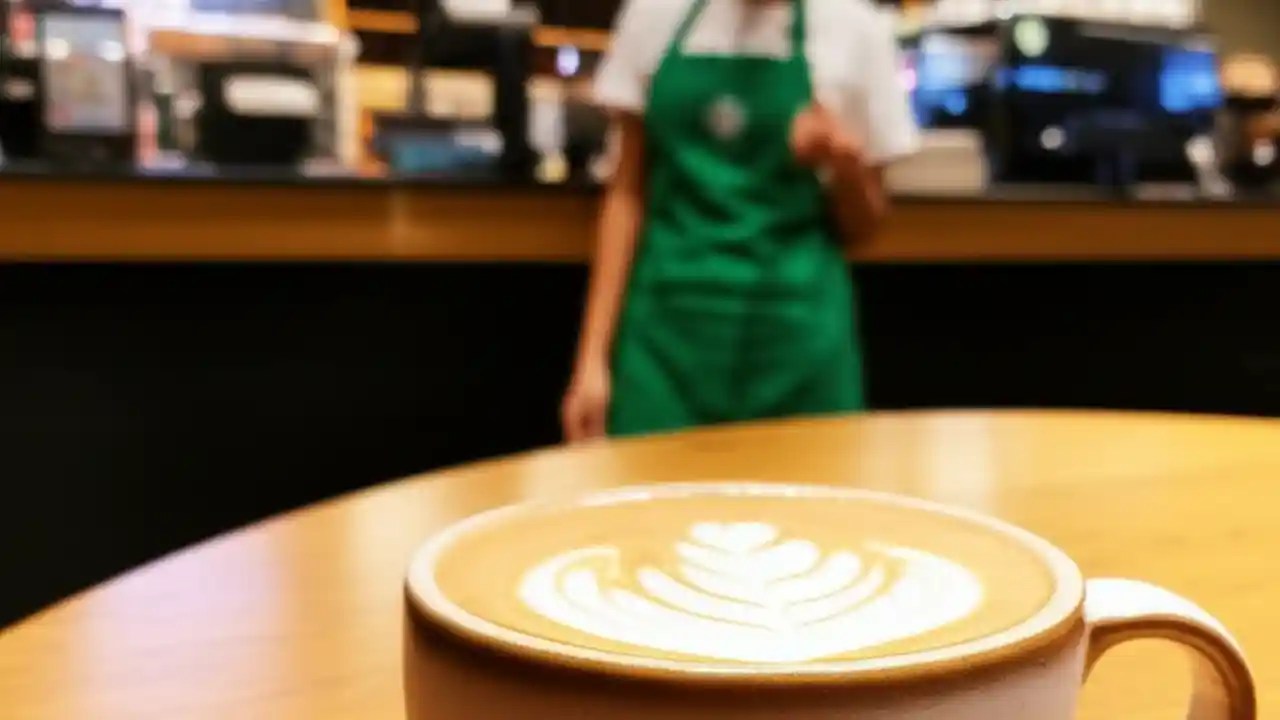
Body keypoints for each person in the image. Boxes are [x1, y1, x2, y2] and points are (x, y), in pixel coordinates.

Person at [562, 0, 920, 442]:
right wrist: (591, 361)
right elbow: (625, 194)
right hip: (665, 343)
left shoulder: (854, 28)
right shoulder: (654, 13)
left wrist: (844, 165)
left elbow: (865, 230)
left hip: (798, 343)